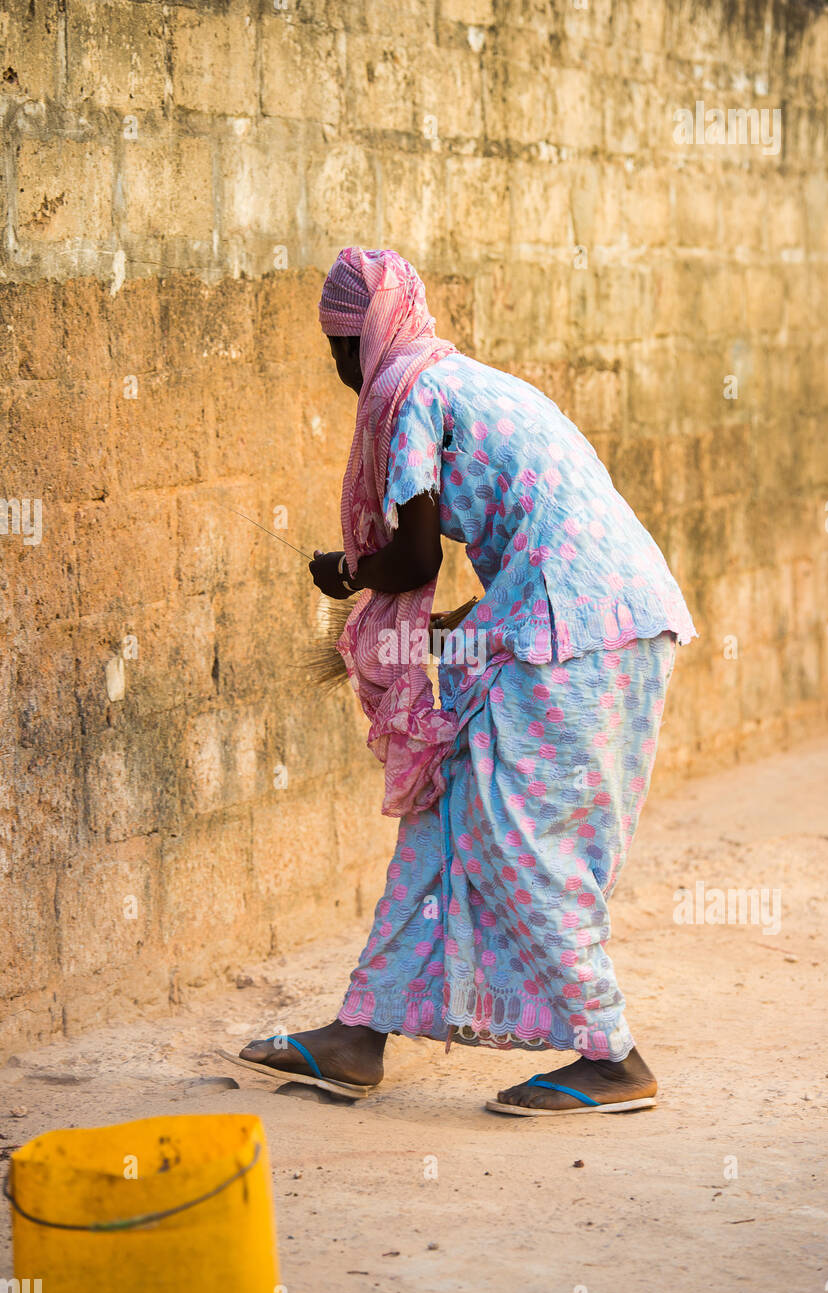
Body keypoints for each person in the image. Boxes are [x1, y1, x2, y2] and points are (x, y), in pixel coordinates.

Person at [233, 247, 697, 1116]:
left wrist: (344, 568)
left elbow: (410, 554)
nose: (341, 369)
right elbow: (538, 524)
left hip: (572, 636)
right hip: (593, 620)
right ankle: (358, 1035)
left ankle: (611, 1056)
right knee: (445, 820)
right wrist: (462, 630)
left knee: (525, 839)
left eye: (339, 349)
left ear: (356, 338)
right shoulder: (476, 382)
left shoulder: (406, 393)